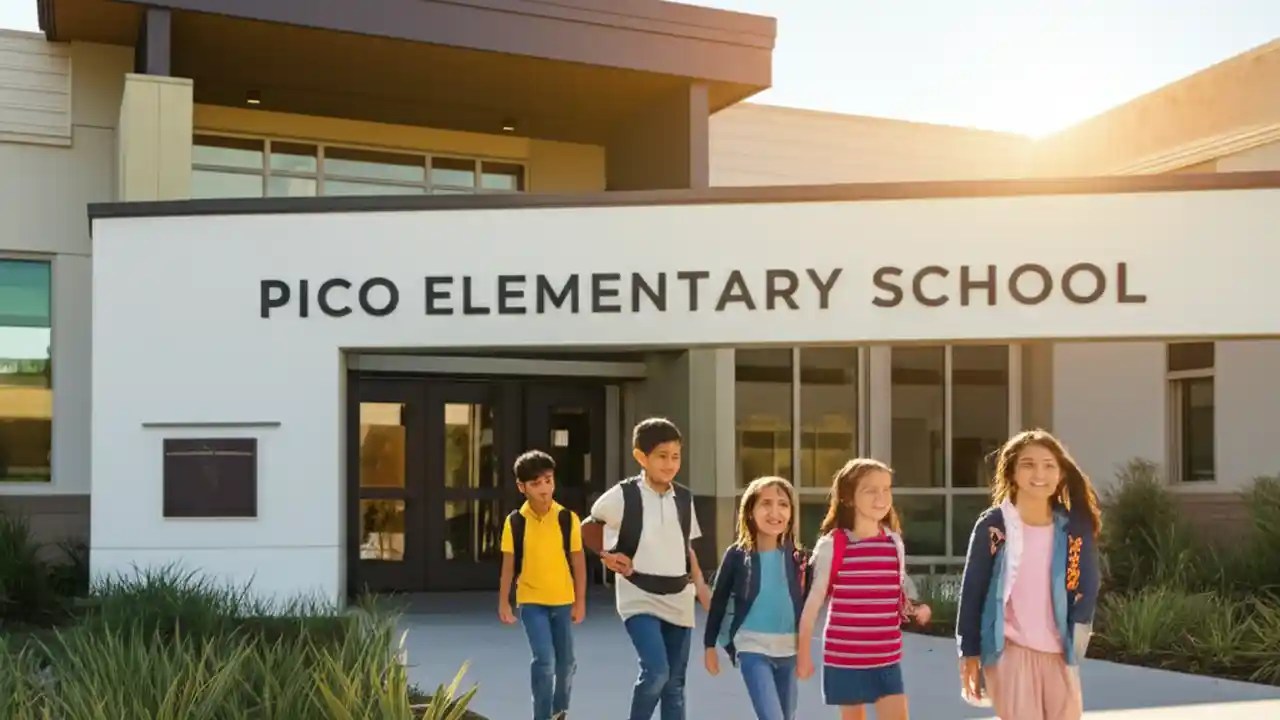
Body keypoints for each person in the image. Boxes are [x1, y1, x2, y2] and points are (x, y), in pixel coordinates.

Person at [955, 429, 1102, 720]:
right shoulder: (995, 526)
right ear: (1011, 472)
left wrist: (1077, 631)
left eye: (1049, 465)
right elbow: (973, 589)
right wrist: (969, 650)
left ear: (1060, 474)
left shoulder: (1073, 527)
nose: (1040, 473)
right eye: (1028, 464)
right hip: (1009, 650)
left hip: (1059, 652)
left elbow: (1088, 582)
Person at [581, 417, 712, 720]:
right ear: (641, 457)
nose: (670, 464)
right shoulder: (623, 495)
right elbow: (587, 526)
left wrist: (702, 589)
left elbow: (687, 547)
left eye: (675, 456)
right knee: (656, 672)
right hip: (638, 596)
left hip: (679, 597)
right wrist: (606, 555)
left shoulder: (684, 498)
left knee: (675, 685)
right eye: (661, 456)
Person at [796, 458, 931, 720]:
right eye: (870, 490)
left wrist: (915, 608)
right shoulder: (833, 545)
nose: (881, 497)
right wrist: (803, 654)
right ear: (848, 497)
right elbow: (811, 606)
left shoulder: (894, 542)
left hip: (886, 657)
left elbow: (896, 593)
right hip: (844, 657)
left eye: (886, 489)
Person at [703, 475, 811, 720]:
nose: (775, 511)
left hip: (789, 651)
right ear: (750, 511)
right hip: (751, 647)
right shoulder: (737, 555)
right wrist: (709, 645)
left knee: (787, 716)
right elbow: (718, 601)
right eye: (766, 503)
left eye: (783, 504)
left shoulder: (799, 558)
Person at [499, 449, 588, 720]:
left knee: (567, 664)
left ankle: (559, 712)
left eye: (548, 480)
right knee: (544, 661)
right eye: (536, 483)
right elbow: (508, 566)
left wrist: (580, 600)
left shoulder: (566, 518)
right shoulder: (515, 522)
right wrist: (504, 601)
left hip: (562, 601)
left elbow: (579, 563)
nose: (544, 488)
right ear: (521, 486)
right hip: (531, 602)